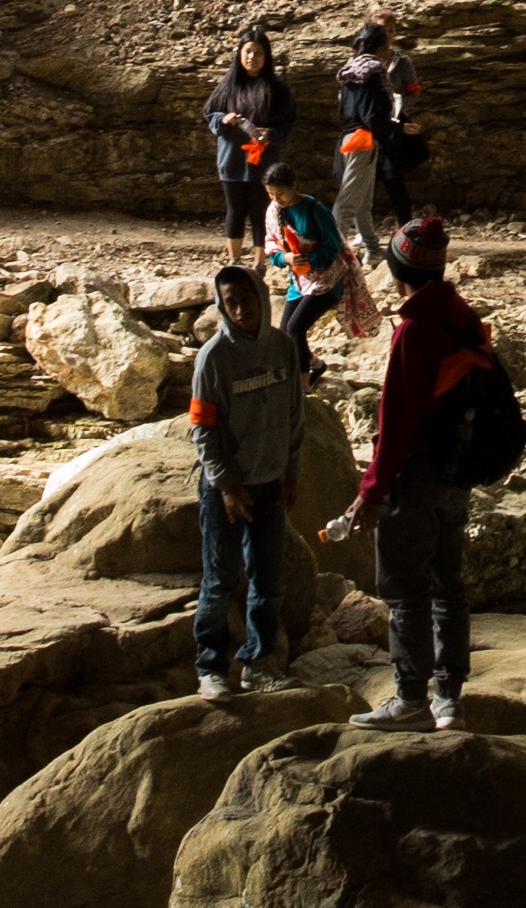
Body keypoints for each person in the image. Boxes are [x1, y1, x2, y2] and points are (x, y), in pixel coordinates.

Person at [325, 219, 494, 730]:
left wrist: (371, 493)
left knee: (405, 593)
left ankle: (411, 700)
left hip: (415, 478)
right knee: (449, 586)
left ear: (396, 268)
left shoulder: (414, 333)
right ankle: (449, 699)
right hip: (455, 472)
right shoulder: (461, 317)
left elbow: (395, 423)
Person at [186, 265, 305, 696]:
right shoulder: (213, 357)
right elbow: (202, 428)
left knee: (268, 583)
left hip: (271, 482)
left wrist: (291, 471)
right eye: (230, 302)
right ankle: (211, 666)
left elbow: (294, 413)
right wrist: (226, 485)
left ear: (260, 294)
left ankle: (258, 662)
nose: (240, 309)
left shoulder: (283, 348)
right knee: (219, 581)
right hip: (227, 489)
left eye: (247, 297)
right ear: (221, 305)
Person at [204, 31, 286, 253]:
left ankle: (260, 260)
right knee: (235, 209)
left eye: (258, 52)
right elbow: (210, 114)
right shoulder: (228, 85)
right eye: (248, 51)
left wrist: (269, 134)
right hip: (232, 158)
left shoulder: (277, 88)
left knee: (261, 209)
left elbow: (287, 124)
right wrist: (224, 119)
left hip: (263, 160)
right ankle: (235, 259)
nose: (252, 57)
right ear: (240, 54)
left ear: (267, 56)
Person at [331, 22, 413, 230]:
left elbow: (343, 111)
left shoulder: (348, 70)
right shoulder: (374, 71)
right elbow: (372, 117)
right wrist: (397, 127)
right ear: (381, 47)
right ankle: (331, 251)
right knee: (348, 203)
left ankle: (372, 249)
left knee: (363, 202)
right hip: (363, 141)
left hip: (347, 138)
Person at [263, 187, 352, 358]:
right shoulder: (273, 212)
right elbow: (271, 243)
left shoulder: (315, 210)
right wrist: (285, 258)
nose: (276, 198)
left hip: (327, 279)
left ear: (293, 186)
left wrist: (309, 261)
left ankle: (303, 383)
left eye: (280, 192)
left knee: (296, 328)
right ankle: (315, 366)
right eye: (271, 193)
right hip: (299, 280)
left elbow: (332, 246)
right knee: (285, 336)